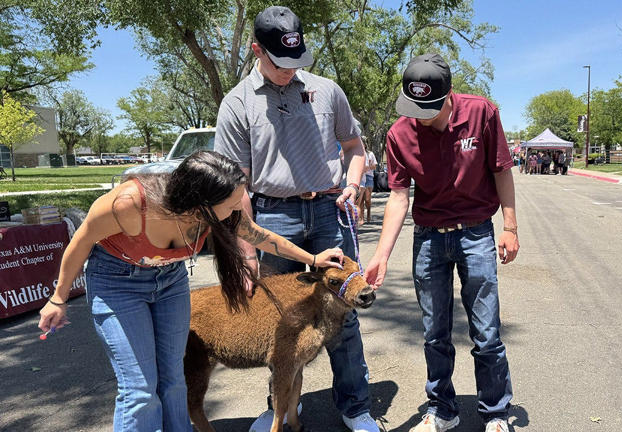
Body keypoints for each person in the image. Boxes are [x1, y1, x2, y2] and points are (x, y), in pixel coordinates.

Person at [37, 151, 343, 432]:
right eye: (233, 203)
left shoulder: (220, 211)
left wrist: (313, 259)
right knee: (140, 387)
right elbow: (80, 242)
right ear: (201, 203)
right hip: (118, 283)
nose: (239, 208)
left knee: (173, 380)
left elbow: (260, 236)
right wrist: (58, 298)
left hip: (170, 282)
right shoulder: (130, 204)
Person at [213, 6, 378, 432]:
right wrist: (246, 252)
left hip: (327, 210)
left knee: (344, 311)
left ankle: (356, 405)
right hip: (272, 216)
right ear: (256, 50)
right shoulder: (236, 104)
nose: (290, 70)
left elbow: (354, 147)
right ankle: (282, 406)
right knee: (278, 318)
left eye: (297, 61)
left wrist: (353, 181)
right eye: (279, 62)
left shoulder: (327, 91)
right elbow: (235, 189)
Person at [364, 53, 519, 432]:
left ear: (448, 96)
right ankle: (443, 409)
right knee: (434, 333)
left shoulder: (482, 113)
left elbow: (501, 171)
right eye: (413, 107)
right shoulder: (399, 134)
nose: (419, 116)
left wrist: (510, 227)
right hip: (430, 239)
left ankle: (495, 413)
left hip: (476, 233)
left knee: (486, 332)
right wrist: (382, 254)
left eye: (427, 108)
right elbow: (399, 198)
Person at [360, 141, 378, 224]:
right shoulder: (357, 153)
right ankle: (362, 218)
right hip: (360, 177)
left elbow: (374, 166)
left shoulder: (370, 154)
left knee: (367, 198)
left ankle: (369, 213)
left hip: (369, 177)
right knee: (361, 199)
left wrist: (367, 167)